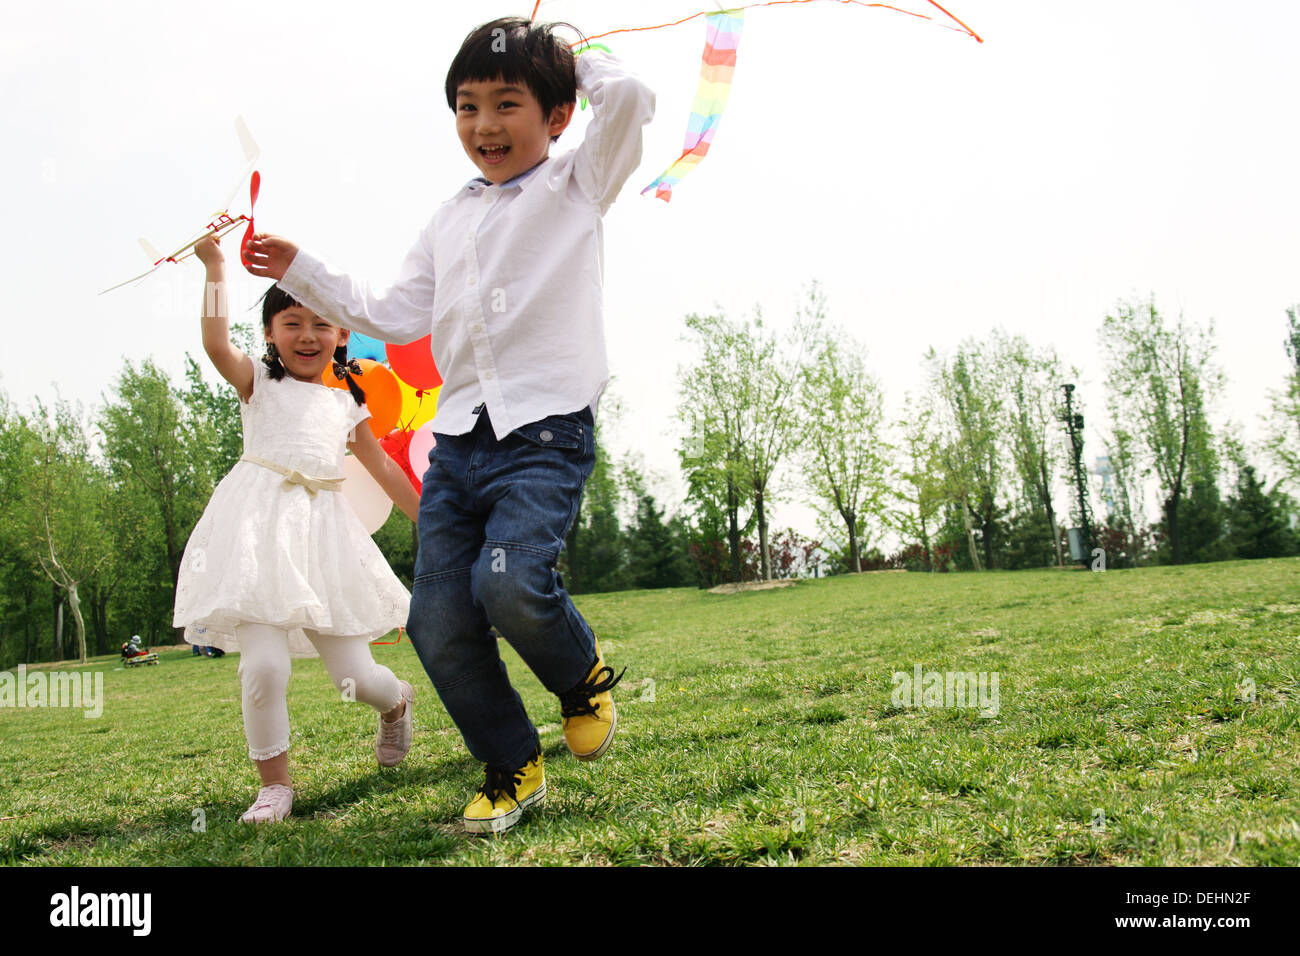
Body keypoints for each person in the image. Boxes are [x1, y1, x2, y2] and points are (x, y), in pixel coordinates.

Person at [243, 16, 655, 833]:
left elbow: (634, 98)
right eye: (468, 107)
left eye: (508, 104)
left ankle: (581, 679)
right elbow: (393, 316)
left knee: (507, 584)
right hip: (463, 443)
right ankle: (512, 764)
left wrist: (579, 57)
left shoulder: (579, 183)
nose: (486, 126)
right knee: (433, 617)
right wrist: (303, 270)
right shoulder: (450, 218)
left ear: (559, 115)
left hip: (543, 434)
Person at [173, 233, 423, 825]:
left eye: (321, 323)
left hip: (325, 546)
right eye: (291, 322)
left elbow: (385, 470)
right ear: (269, 333)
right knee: (264, 666)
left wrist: (437, 521)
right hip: (257, 537)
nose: (307, 335)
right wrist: (214, 266)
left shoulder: (346, 407)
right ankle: (275, 786)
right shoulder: (257, 386)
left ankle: (396, 703)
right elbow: (213, 341)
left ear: (341, 335)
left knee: (355, 677)